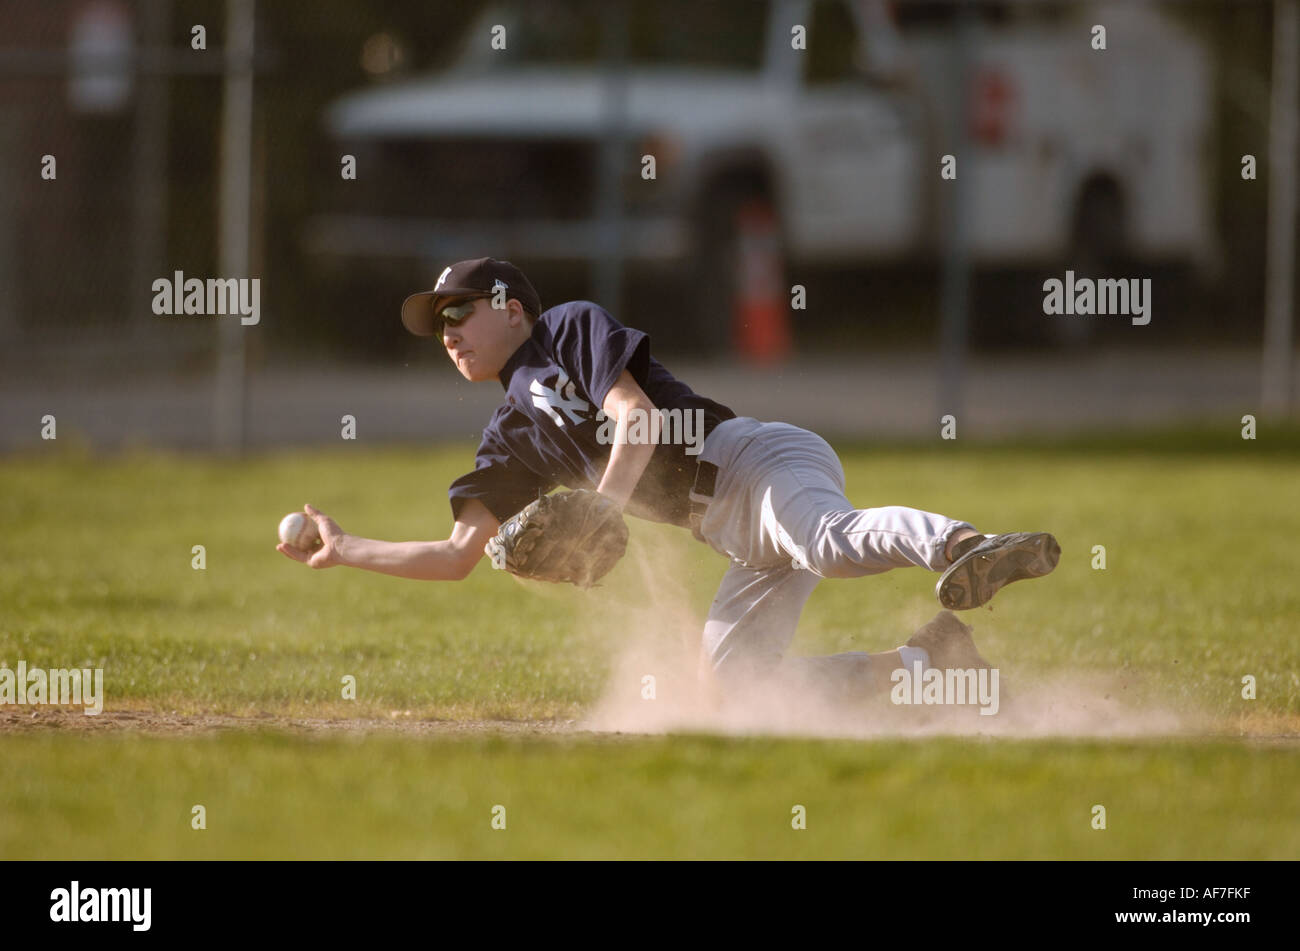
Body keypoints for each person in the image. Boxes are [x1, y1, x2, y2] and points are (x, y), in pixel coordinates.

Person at [277, 257, 1059, 704]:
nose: (447, 333)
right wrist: (348, 549)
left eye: (460, 311)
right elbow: (455, 554)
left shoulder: (565, 330)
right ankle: (933, 666)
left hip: (757, 462)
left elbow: (640, 418)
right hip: (726, 531)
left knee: (828, 542)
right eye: (437, 325)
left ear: (512, 308)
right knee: (737, 691)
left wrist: (598, 508)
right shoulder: (510, 434)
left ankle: (970, 544)